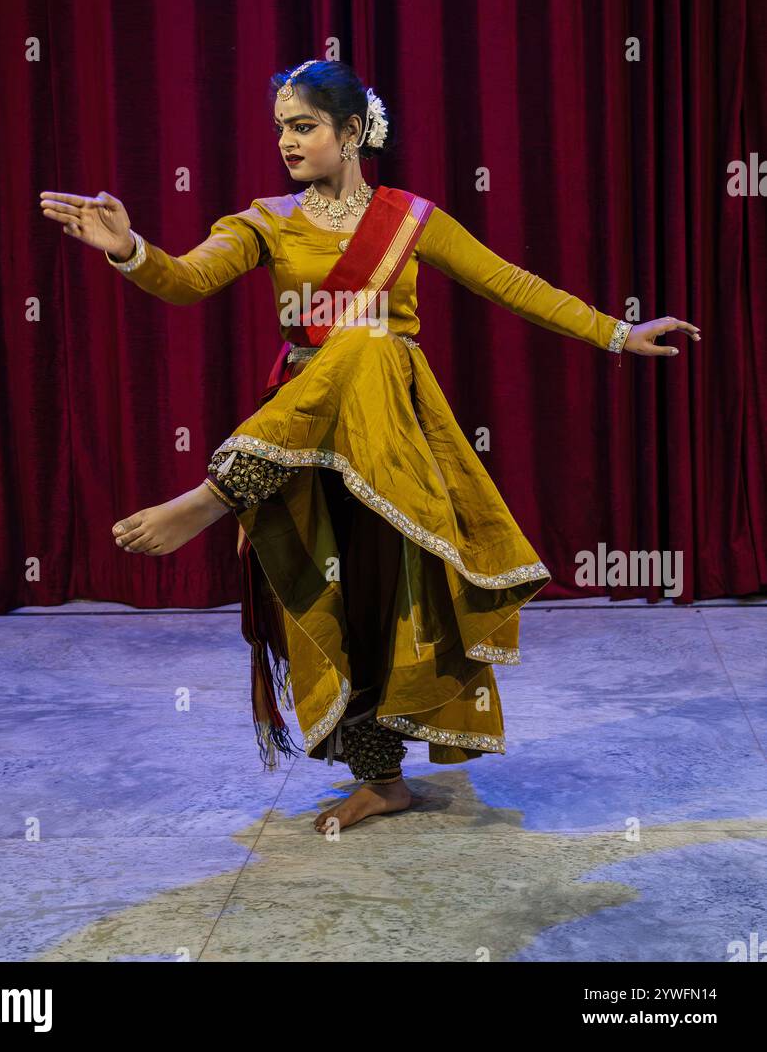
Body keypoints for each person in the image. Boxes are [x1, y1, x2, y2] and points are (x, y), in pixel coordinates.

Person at [39, 59, 701, 833]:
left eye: (304, 126)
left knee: (388, 563)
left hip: (389, 433)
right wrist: (130, 250)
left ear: (351, 133)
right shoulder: (265, 220)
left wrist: (620, 332)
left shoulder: (412, 218)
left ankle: (216, 493)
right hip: (305, 436)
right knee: (336, 599)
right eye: (282, 127)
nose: (287, 141)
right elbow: (187, 281)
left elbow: (513, 284)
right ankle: (378, 778)